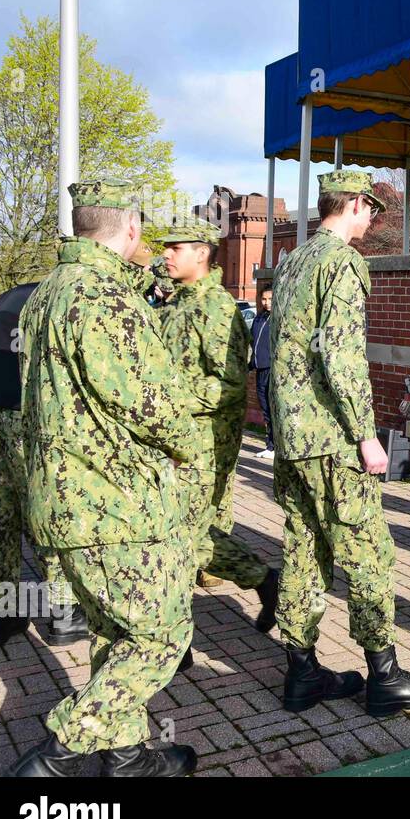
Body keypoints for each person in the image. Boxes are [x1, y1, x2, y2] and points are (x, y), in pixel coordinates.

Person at [11, 178, 203, 777]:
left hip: (64, 499)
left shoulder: (47, 294)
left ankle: (125, 755)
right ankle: (58, 754)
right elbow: (154, 403)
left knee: (115, 628)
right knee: (162, 635)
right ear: (131, 228)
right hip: (114, 502)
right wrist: (190, 446)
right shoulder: (103, 298)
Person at [271, 169, 410, 716]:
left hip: (294, 436)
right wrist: (367, 436)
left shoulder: (294, 262)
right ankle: (385, 675)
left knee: (304, 549)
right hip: (331, 438)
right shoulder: (340, 263)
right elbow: (343, 357)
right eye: (370, 207)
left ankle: (301, 672)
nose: (374, 217)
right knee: (369, 554)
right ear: (350, 204)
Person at [158, 216, 278, 633]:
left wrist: (170, 407)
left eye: (176, 248)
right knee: (183, 531)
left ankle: (261, 580)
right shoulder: (178, 302)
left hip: (201, 441)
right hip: (175, 438)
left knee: (181, 533)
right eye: (166, 247)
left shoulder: (215, 307)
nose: (166, 254)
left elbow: (229, 385)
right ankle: (264, 581)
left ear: (203, 253)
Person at [0, 283, 84, 647]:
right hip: (28, 416)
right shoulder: (63, 298)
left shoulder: (8, 298)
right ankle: (64, 615)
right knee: (47, 514)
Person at [251, 284, 275, 459]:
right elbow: (254, 343)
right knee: (265, 409)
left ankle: (275, 446)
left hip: (272, 370)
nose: (267, 303)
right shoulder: (259, 318)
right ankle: (270, 446)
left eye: (270, 299)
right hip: (259, 369)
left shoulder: (278, 319)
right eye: (264, 299)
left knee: (274, 409)